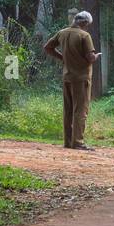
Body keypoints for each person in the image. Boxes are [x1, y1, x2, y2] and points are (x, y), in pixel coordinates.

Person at [44, 10, 101, 150]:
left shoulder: (62, 33)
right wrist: (97, 56)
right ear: (84, 23)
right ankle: (78, 142)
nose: (87, 27)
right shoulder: (84, 35)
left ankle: (68, 142)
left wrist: (63, 58)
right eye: (87, 24)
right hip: (81, 78)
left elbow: (48, 47)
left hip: (67, 77)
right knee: (80, 110)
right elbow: (90, 58)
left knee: (68, 110)